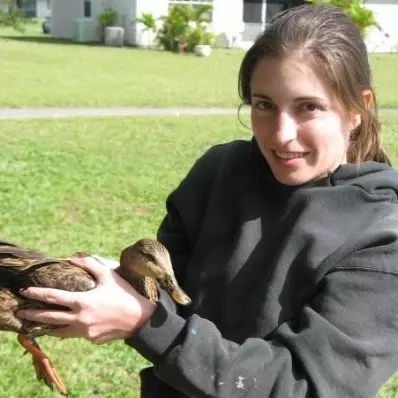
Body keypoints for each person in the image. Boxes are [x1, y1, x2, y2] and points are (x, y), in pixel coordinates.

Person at [17, 4, 398, 397]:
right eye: (264, 104)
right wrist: (98, 287)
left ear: (357, 110)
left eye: (309, 107)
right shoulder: (220, 171)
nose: (281, 134)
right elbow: (170, 292)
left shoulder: (382, 236)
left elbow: (300, 385)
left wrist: (143, 325)